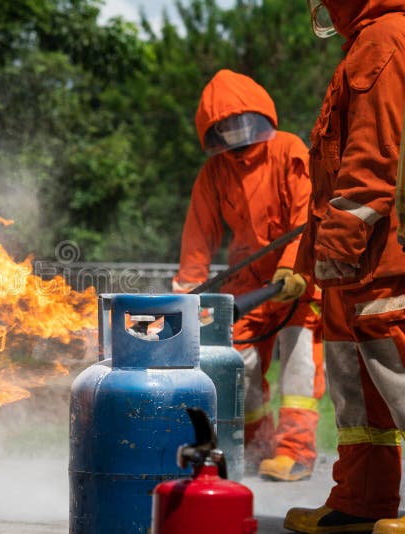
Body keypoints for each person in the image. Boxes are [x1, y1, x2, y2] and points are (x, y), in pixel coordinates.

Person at [283, 1, 405, 533]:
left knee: (397, 375)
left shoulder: (385, 38)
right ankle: (360, 500)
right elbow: (329, 174)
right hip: (352, 259)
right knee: (359, 391)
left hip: (378, 252)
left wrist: (338, 242)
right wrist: (311, 257)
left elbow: (374, 157)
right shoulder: (363, 42)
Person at [173, 69, 325, 482]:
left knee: (299, 367)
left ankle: (295, 452)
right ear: (213, 132)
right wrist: (187, 294)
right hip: (247, 286)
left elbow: (306, 216)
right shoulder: (214, 173)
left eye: (243, 123)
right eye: (227, 128)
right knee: (237, 365)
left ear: (261, 115)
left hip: (296, 278)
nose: (238, 135)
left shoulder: (289, 150)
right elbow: (198, 237)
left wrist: (292, 268)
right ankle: (258, 447)